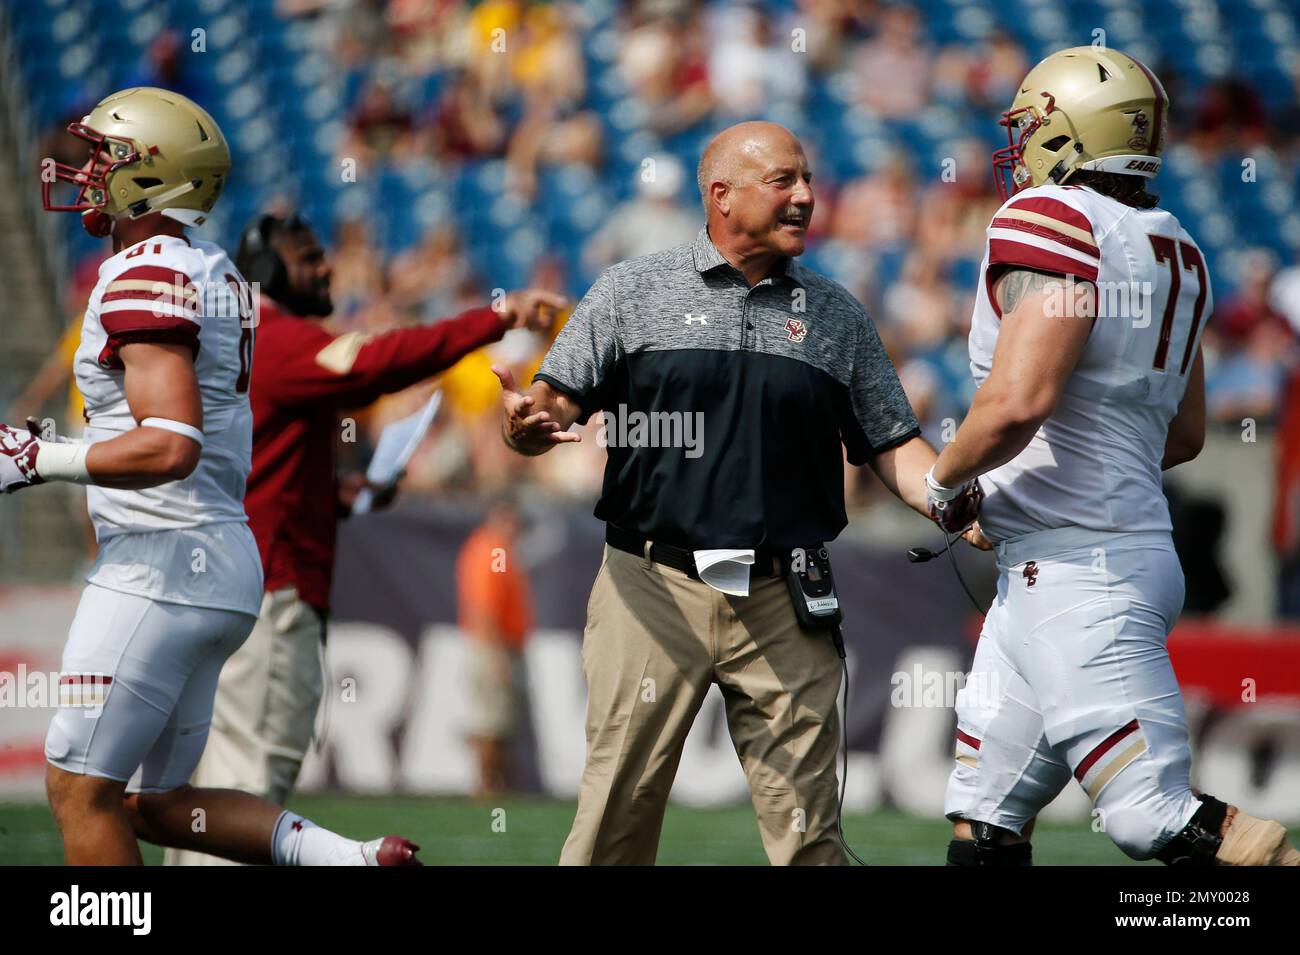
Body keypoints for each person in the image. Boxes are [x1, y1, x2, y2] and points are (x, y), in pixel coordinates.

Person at [496, 120, 982, 865]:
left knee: (811, 843)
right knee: (612, 829)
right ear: (720, 195)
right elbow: (553, 402)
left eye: (808, 180)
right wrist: (531, 426)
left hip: (784, 597)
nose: (806, 197)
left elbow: (889, 444)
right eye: (783, 180)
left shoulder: (838, 315)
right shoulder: (631, 289)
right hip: (651, 587)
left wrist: (953, 497)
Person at [0, 86, 418, 865]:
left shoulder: (141, 273)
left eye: (106, 158)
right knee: (154, 803)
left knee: (79, 789)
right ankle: (348, 858)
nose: (87, 174)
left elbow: (170, 443)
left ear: (153, 175)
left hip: (159, 559)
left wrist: (35, 458)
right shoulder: (214, 269)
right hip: (221, 560)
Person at [930, 47, 1299, 866]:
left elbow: (1020, 399)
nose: (1019, 144)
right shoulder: (1178, 248)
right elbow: (1185, 432)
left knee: (1151, 816)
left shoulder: (1051, 219)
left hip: (1080, 571)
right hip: (1084, 558)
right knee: (984, 816)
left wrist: (945, 481)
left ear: (1067, 133)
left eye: (1031, 126)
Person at [165, 213, 562, 865]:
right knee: (247, 785)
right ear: (266, 271)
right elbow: (375, 361)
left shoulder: (232, 341)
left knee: (207, 799)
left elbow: (257, 475)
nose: (325, 268)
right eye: (307, 257)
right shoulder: (275, 337)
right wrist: (495, 319)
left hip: (223, 581)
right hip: (266, 593)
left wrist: (339, 496)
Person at [456, 498, 534, 797]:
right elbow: (484, 608)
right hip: (493, 646)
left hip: (497, 644)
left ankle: (497, 789)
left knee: (500, 723)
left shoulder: (494, 548)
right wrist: (495, 652)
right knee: (490, 723)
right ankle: (488, 790)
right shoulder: (491, 549)